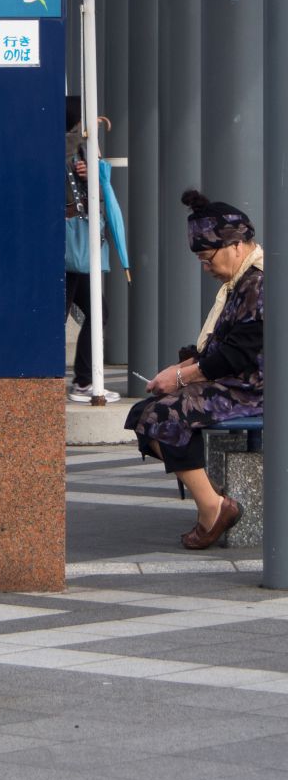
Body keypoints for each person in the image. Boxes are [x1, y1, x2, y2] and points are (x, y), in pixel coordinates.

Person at [124, 189, 263, 549]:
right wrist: (180, 368)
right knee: (143, 413)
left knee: (163, 415)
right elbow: (220, 347)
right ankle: (214, 500)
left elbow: (235, 355)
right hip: (238, 382)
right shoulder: (242, 282)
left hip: (255, 389)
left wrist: (180, 377)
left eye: (207, 258)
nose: (206, 268)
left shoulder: (259, 283)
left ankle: (213, 509)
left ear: (235, 245)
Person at [65, 95, 120, 403]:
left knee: (99, 312)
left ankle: (84, 380)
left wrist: (93, 175)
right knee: (67, 313)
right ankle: (78, 381)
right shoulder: (65, 150)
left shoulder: (81, 153)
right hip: (69, 246)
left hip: (79, 247)